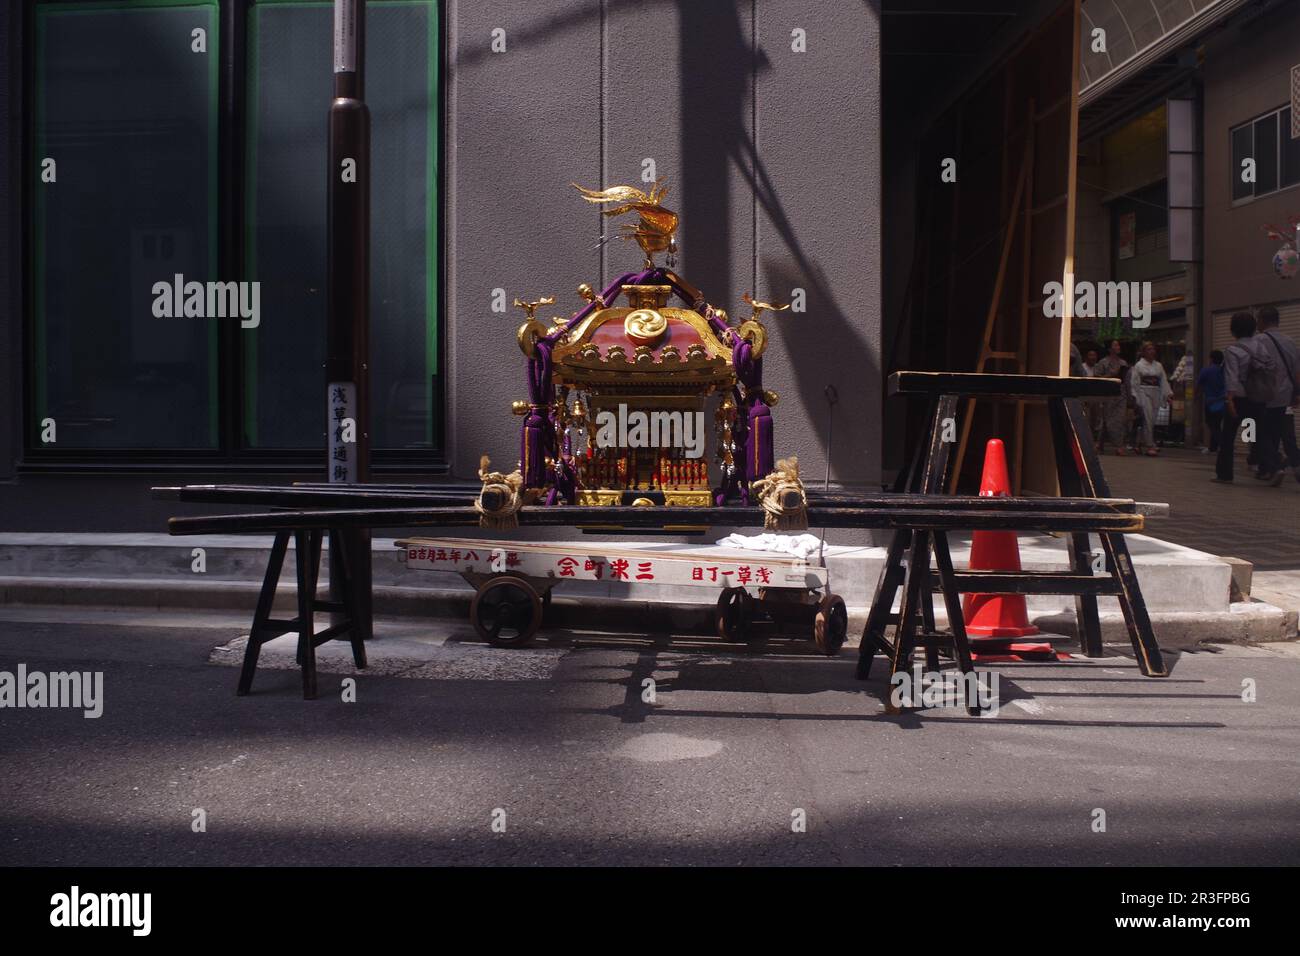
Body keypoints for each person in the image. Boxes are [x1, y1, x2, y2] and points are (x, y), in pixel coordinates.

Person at [1215, 312, 1273, 483]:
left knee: (1228, 437)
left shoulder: (1233, 350)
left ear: (1234, 329)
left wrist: (1229, 400)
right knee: (1258, 434)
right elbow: (1270, 368)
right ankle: (1268, 466)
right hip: (1258, 398)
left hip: (1238, 398)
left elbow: (1232, 376)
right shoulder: (1261, 347)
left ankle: (1225, 474)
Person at [1254, 305, 1300, 485]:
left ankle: (1276, 466)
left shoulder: (1257, 341)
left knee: (1261, 433)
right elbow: (1297, 372)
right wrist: (1297, 393)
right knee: (1283, 433)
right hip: (1284, 396)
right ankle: (1295, 466)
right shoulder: (1290, 342)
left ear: (1262, 321)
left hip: (1263, 396)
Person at [1128, 342, 1172, 456]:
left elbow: (1163, 381)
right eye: (1148, 349)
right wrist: (1135, 396)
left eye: (1153, 349)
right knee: (1147, 418)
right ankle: (1149, 445)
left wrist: (1167, 395)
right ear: (1144, 352)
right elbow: (1134, 382)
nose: (1151, 351)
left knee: (1151, 420)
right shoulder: (1139, 365)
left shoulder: (1158, 366)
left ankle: (1138, 443)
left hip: (1156, 392)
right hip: (1143, 391)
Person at [1091, 340, 1130, 454]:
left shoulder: (1123, 363)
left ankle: (1119, 444)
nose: (1118, 347)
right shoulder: (1103, 362)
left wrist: (1130, 395)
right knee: (1107, 419)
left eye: (1118, 344)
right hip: (1108, 393)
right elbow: (1097, 378)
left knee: (1119, 419)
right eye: (1115, 345)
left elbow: (1127, 380)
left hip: (1121, 393)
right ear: (1110, 348)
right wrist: (1112, 374)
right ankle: (1101, 443)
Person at [1195, 350, 1226, 454]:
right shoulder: (1224, 371)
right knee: (1216, 424)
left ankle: (1224, 445)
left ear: (1211, 359)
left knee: (1212, 425)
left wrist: (1196, 397)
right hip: (1223, 402)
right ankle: (1213, 448)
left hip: (1210, 402)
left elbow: (1198, 385)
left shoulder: (1206, 371)